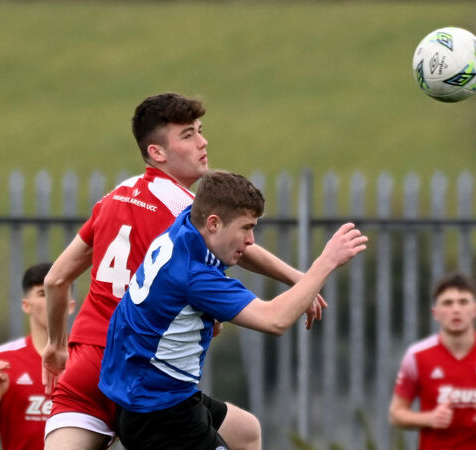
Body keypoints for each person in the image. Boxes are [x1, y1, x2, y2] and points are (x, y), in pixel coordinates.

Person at [42, 93, 327, 449]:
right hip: (140, 365)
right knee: (242, 434)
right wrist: (299, 279)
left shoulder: (117, 194)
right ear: (157, 152)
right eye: (188, 135)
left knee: (244, 430)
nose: (203, 142)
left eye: (200, 131)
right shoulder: (187, 211)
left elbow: (56, 279)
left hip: (85, 365)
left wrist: (54, 346)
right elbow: (240, 249)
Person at [98, 170, 367, 449]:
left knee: (246, 431)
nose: (250, 240)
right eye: (246, 227)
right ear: (214, 223)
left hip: (150, 397)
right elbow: (274, 320)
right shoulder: (195, 275)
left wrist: (300, 282)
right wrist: (325, 263)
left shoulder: (187, 224)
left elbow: (242, 250)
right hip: (160, 415)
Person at [388, 273, 476, 450]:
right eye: (447, 303)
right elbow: (396, 414)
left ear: (475, 310)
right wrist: (430, 418)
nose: (456, 309)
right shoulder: (417, 355)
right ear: (435, 312)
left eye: (463, 302)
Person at [0, 262, 75, 449]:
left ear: (70, 306)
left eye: (58, 293)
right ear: (26, 305)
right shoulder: (1, 359)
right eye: (43, 294)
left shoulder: (87, 357)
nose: (52, 301)